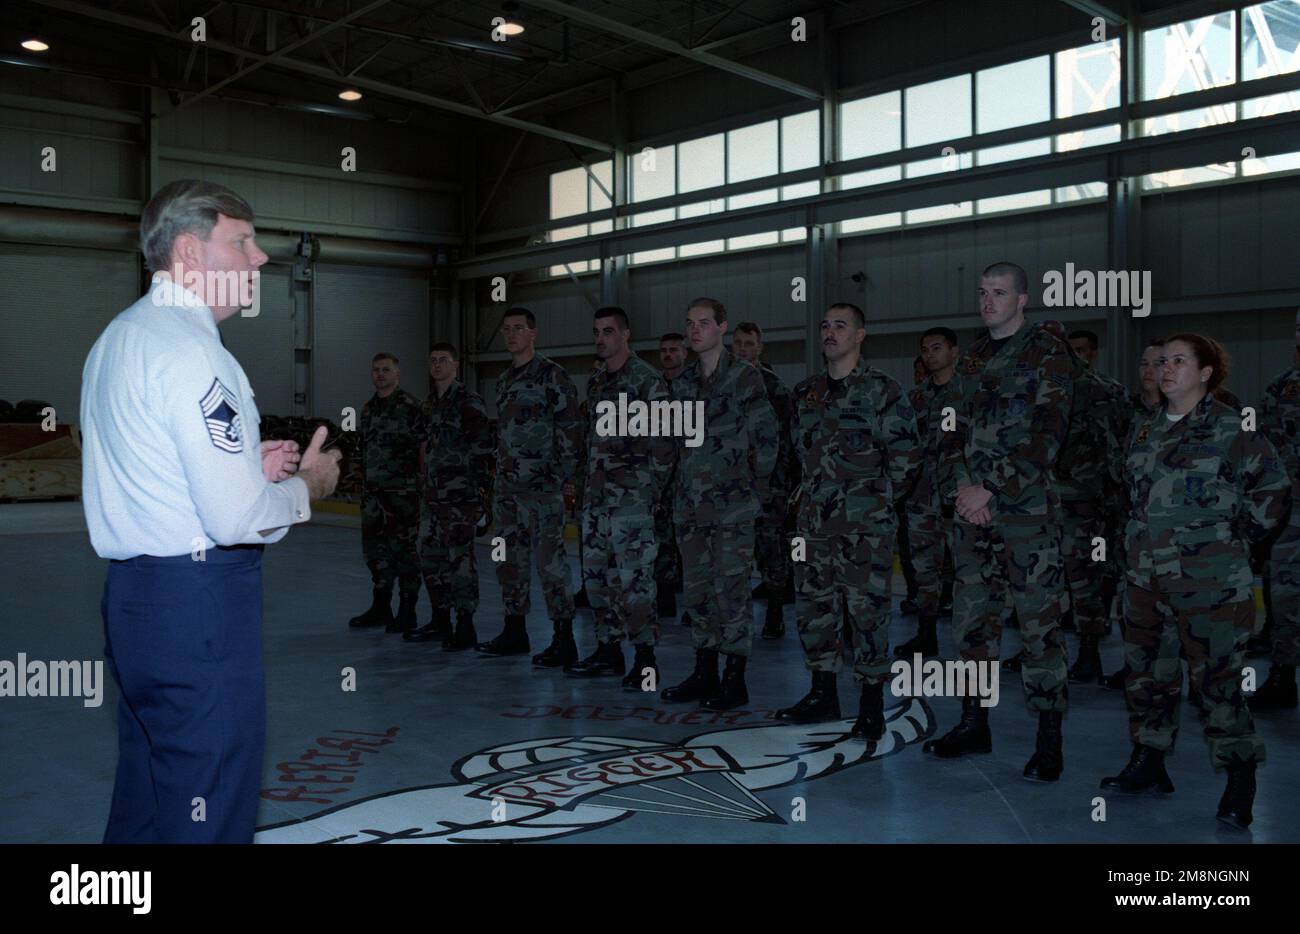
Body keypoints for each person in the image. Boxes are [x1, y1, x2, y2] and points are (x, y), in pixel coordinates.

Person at [81, 179, 341, 843]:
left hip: (135, 603)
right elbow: (234, 521)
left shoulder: (120, 338)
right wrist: (307, 487)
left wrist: (242, 467)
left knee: (146, 796)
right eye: (243, 242)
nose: (259, 260)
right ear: (190, 253)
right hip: (195, 609)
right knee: (209, 799)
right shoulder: (198, 354)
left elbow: (151, 466)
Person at [1101, 334, 1288, 830]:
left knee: (1217, 682)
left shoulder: (1233, 428)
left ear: (1206, 373)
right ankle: (1149, 762)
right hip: (1145, 579)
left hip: (1209, 581)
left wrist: (1233, 543)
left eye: (1179, 361)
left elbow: (1273, 489)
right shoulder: (1144, 430)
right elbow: (1129, 496)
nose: (1166, 369)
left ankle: (1239, 778)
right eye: (1162, 361)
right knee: (1146, 677)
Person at [926, 261, 1073, 783]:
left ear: (1023, 299)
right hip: (972, 516)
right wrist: (965, 490)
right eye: (983, 292)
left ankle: (1048, 740)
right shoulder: (971, 360)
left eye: (1000, 292)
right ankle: (973, 723)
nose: (988, 301)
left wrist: (993, 488)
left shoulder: (1048, 353)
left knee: (1039, 630)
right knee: (971, 626)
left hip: (1026, 515)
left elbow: (1047, 433)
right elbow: (950, 429)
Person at [776, 303, 921, 737]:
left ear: (861, 335)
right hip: (814, 526)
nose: (830, 332)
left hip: (865, 529)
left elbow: (907, 461)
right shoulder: (805, 394)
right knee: (814, 611)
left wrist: (874, 505)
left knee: (868, 615)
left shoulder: (883, 391)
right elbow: (796, 459)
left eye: (841, 325)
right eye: (825, 325)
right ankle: (823, 693)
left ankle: (871, 704)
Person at [661, 298, 778, 710]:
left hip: (731, 507)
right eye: (690, 323)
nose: (695, 330)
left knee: (731, 593)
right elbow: (673, 445)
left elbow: (766, 443)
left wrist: (749, 493)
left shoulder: (746, 378)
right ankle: (704, 669)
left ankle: (734, 678)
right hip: (690, 507)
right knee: (697, 593)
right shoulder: (682, 384)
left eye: (704, 323)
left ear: (722, 327)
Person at [563, 308, 675, 684]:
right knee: (597, 581)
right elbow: (589, 443)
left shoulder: (647, 381)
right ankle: (608, 650)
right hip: (595, 501)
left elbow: (664, 444)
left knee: (635, 582)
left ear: (626, 334)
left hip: (631, 503)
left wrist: (649, 493)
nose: (600, 339)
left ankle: (645, 660)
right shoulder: (596, 382)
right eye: (596, 332)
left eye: (608, 331)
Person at [482, 307, 582, 657]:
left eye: (519, 329)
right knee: (508, 561)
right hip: (508, 489)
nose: (511, 335)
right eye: (506, 329)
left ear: (533, 333)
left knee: (550, 564)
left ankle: (564, 638)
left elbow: (570, 428)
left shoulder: (552, 376)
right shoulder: (505, 379)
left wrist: (565, 479)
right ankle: (514, 631)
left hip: (543, 489)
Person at [404, 344, 494, 650]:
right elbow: (422, 446)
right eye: (433, 361)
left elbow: (483, 449)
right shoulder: (428, 405)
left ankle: (465, 625)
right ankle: (440, 619)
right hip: (431, 497)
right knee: (430, 557)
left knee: (460, 561)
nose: (437, 365)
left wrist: (480, 498)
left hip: (459, 497)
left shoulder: (468, 402)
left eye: (444, 360)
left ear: (456, 365)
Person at [1059, 329, 1132, 682]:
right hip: (1064, 502)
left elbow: (1124, 441)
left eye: (1084, 350)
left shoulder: (1112, 390)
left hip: (1101, 506)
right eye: (1072, 350)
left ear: (1094, 353)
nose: (1078, 356)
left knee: (1096, 573)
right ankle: (1077, 650)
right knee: (1071, 577)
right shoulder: (1053, 391)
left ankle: (1091, 648)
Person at [1101, 338, 1167, 691]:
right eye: (1144, 363)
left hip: (1171, 532)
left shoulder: (1184, 413)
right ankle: (1136, 666)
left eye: (1158, 363)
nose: (1149, 370)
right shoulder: (1126, 412)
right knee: (1131, 602)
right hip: (1128, 525)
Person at [895, 327, 961, 658]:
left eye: (937, 347)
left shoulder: (972, 395)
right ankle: (926, 633)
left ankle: (973, 644)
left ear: (954, 352)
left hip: (963, 499)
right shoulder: (916, 399)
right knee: (924, 569)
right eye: (925, 349)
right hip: (922, 497)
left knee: (969, 570)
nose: (930, 354)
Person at [349, 353, 425, 633]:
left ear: (397, 374)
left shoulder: (411, 407)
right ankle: (381, 606)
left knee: (403, 551)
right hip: (373, 495)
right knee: (374, 551)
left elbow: (423, 448)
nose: (380, 374)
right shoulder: (369, 409)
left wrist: (419, 485)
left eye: (386, 370)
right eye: (376, 370)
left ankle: (408, 609)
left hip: (401, 495)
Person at [732, 321, 798, 638]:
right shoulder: (723, 384)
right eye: (738, 344)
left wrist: (780, 484)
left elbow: (787, 441)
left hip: (769, 484)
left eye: (749, 344)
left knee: (771, 549)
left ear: (759, 348)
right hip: (732, 486)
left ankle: (775, 610)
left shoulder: (775, 389)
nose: (743, 350)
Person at [1253, 308, 1300, 709]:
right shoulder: (1281, 388)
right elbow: (1264, 450)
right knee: (1284, 593)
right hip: (1292, 511)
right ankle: (1284, 675)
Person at [654, 332, 687, 619]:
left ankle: (696, 605)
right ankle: (665, 597)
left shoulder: (695, 385)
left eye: (674, 350)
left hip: (690, 476)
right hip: (661, 476)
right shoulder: (652, 387)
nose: (668, 355)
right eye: (664, 350)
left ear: (684, 353)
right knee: (662, 538)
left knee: (691, 544)